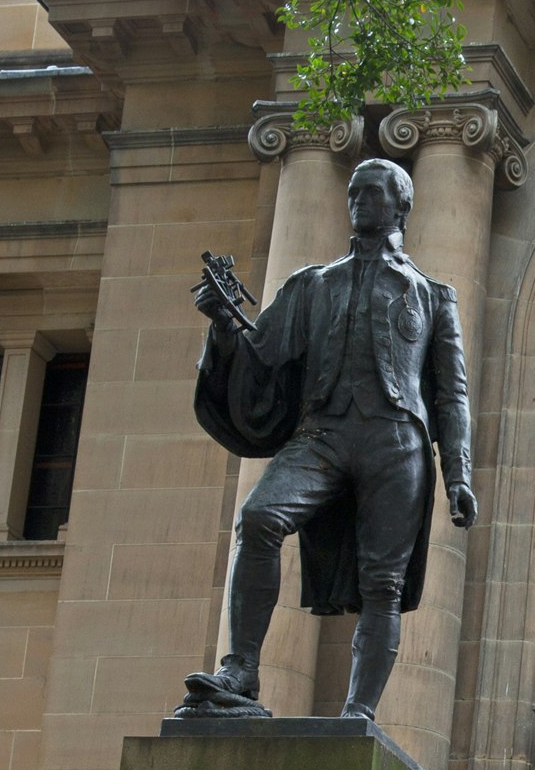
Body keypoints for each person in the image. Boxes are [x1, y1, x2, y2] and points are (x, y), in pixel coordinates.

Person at [181, 154, 475, 724]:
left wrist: (459, 475)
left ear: (401, 205)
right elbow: (260, 358)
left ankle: (358, 712)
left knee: (383, 583)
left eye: (373, 192)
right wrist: (221, 322)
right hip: (323, 433)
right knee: (261, 517)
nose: (360, 200)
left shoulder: (433, 296)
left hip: (397, 442)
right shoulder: (311, 284)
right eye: (355, 192)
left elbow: (451, 394)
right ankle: (240, 669)